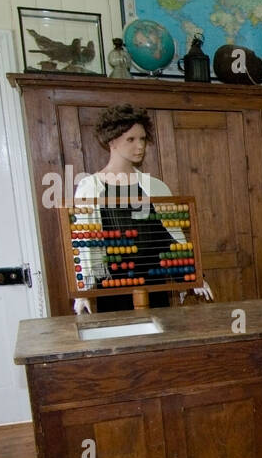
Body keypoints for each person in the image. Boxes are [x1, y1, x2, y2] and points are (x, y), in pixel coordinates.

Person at [73, 104, 186, 311]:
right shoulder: (90, 188)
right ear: (111, 141)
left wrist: (192, 278)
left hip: (154, 286)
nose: (140, 146)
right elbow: (85, 246)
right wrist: (84, 292)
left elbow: (170, 238)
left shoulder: (155, 187)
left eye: (142, 139)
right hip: (113, 288)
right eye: (131, 139)